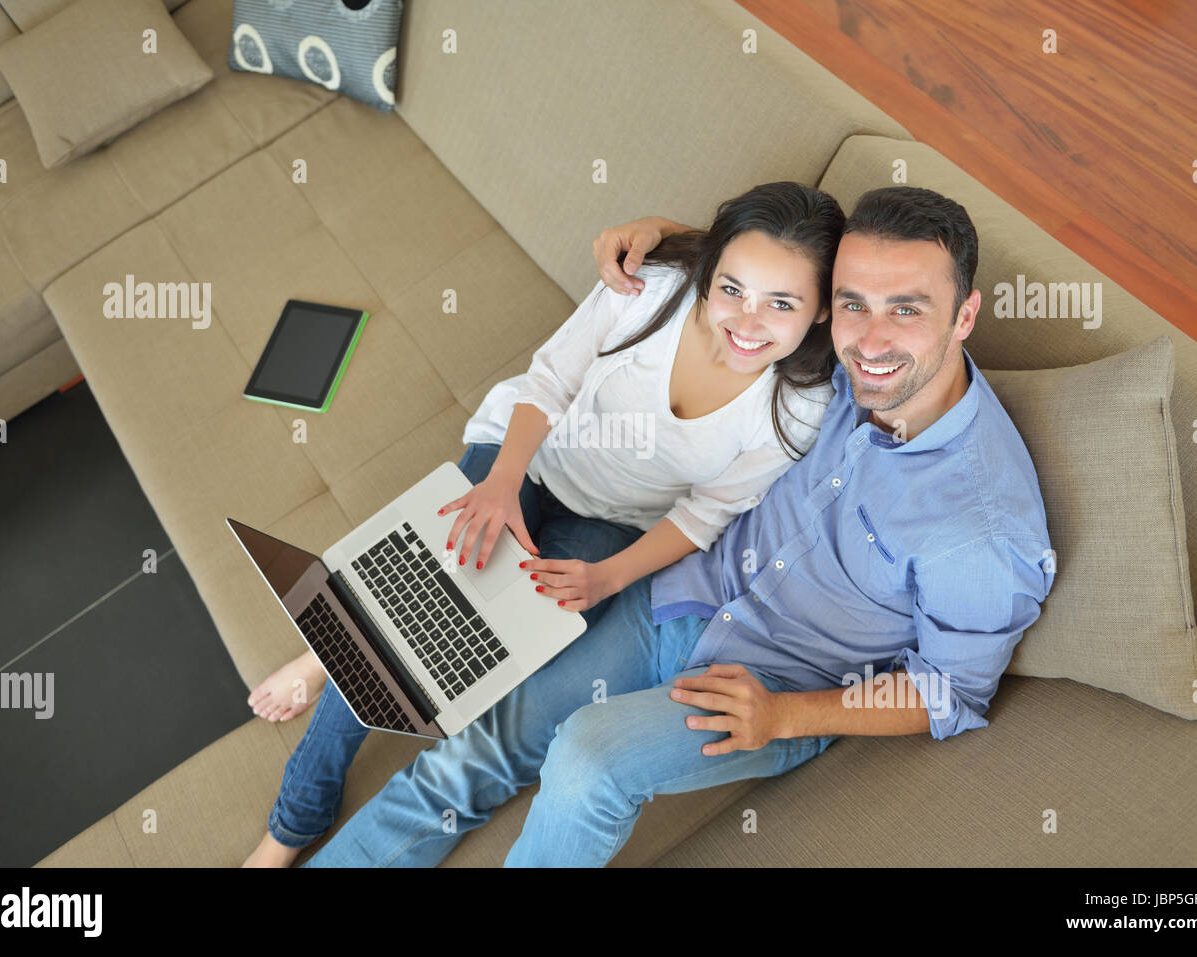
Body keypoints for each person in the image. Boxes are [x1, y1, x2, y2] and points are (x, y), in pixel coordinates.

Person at [287, 184, 1055, 868]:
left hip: (772, 684)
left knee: (586, 760)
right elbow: (765, 279)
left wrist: (785, 714)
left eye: (907, 309)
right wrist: (670, 237)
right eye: (855, 302)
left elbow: (951, 692)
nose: (873, 337)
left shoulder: (984, 528)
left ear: (965, 316)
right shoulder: (838, 369)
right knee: (467, 755)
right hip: (678, 599)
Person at [242, 181, 848, 866]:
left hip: (611, 528)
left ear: (823, 309)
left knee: (459, 639)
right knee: (400, 624)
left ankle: (332, 640)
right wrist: (500, 483)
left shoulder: (799, 407)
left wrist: (607, 577)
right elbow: (550, 381)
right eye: (732, 289)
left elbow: (704, 512)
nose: (747, 319)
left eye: (783, 303)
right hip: (523, 459)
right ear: (710, 271)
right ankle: (291, 824)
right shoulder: (651, 289)